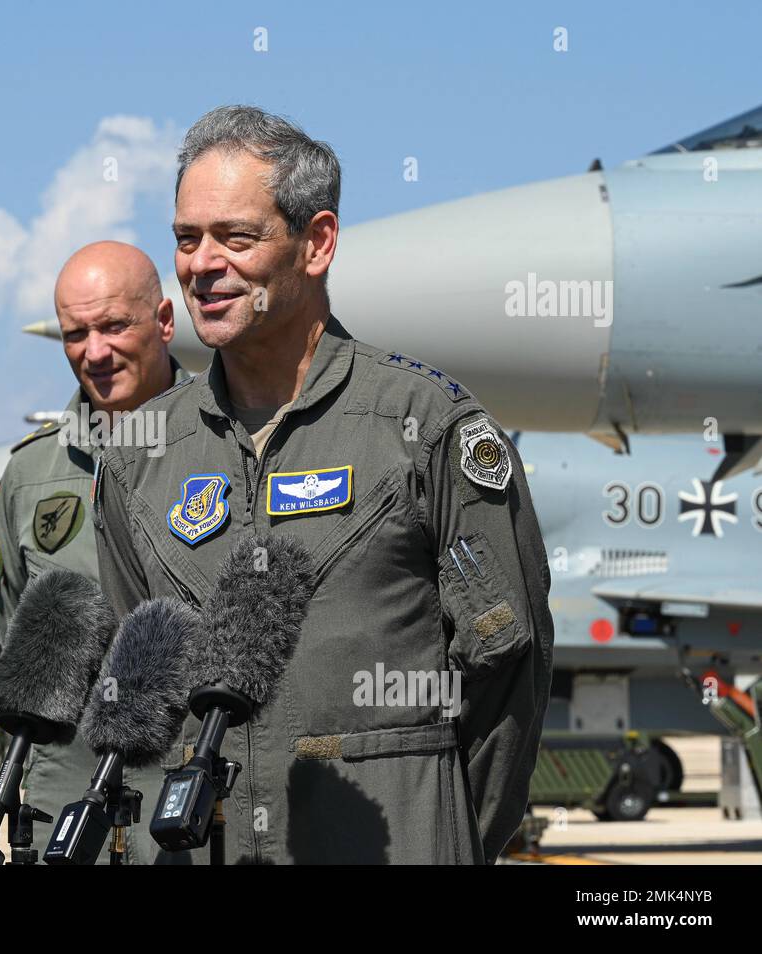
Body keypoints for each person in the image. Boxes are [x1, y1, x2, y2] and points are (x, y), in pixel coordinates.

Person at [94, 107, 554, 864]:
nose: (202, 264)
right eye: (186, 238)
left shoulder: (426, 428)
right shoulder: (138, 458)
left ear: (318, 243)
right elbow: (135, 682)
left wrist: (441, 833)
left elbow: (509, 666)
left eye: (235, 237)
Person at [0, 240, 190, 863]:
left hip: (194, 804)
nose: (94, 352)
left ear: (163, 321)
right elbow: (17, 638)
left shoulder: (229, 447)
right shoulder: (30, 475)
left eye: (113, 326)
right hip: (61, 812)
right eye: (76, 333)